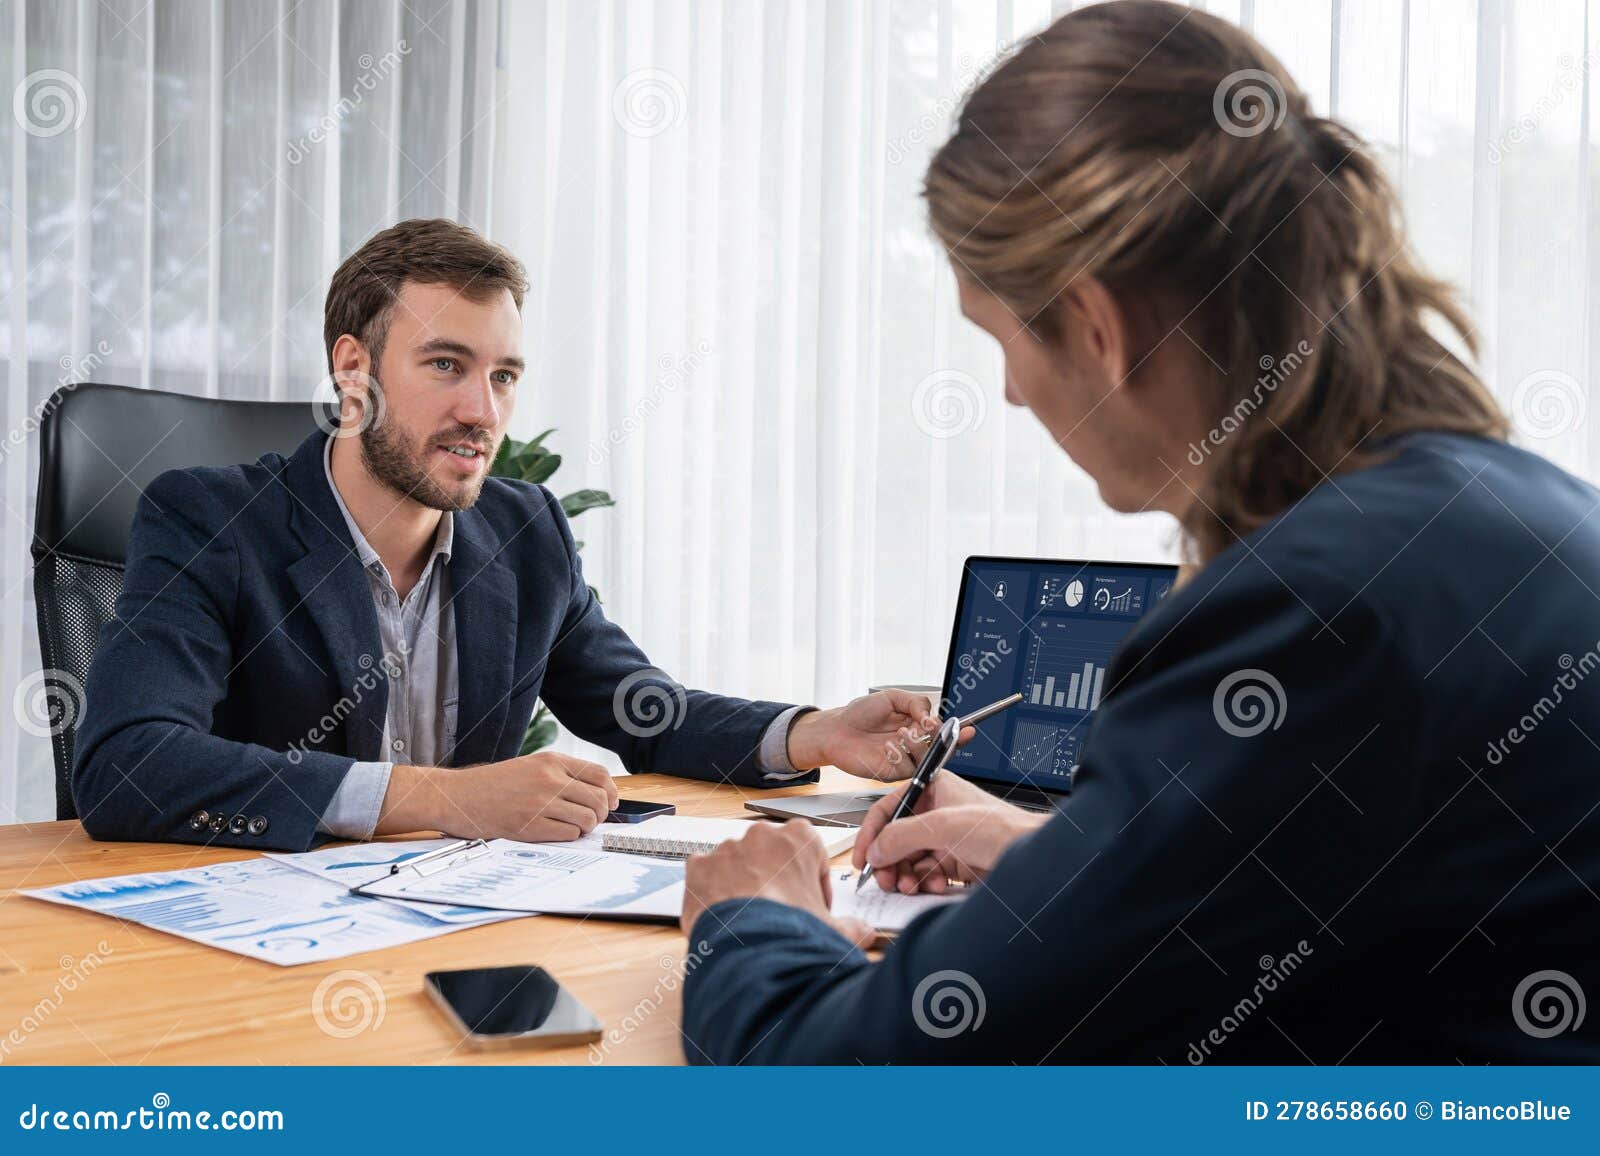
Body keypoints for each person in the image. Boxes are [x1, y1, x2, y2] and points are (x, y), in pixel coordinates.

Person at [678, 0, 1600, 1063]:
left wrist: (750, 922)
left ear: (1097, 326)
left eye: (1000, 338)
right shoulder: (1510, 511)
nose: (1012, 394)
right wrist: (1073, 861)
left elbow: (850, 1090)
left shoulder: (1305, 612)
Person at [73, 218, 940, 853]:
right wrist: (444, 799)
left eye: (504, 376)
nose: (482, 412)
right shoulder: (211, 520)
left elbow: (647, 712)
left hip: (456, 927)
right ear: (353, 370)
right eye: (446, 365)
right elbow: (128, 765)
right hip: (243, 950)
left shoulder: (525, 532)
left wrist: (818, 732)